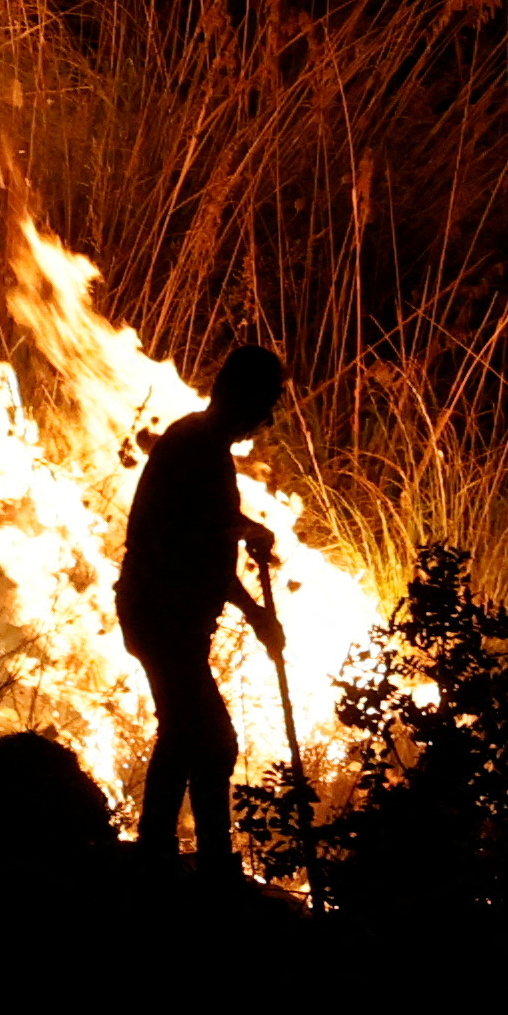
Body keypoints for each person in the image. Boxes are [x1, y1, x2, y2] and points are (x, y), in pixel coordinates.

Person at [116, 344, 287, 877]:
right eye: (266, 402)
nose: (268, 417)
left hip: (163, 615)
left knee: (185, 733)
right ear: (240, 396)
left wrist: (248, 528)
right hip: (161, 615)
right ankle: (206, 858)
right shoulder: (197, 446)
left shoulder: (198, 441)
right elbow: (195, 545)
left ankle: (161, 850)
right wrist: (258, 615)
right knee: (211, 739)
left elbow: (211, 520)